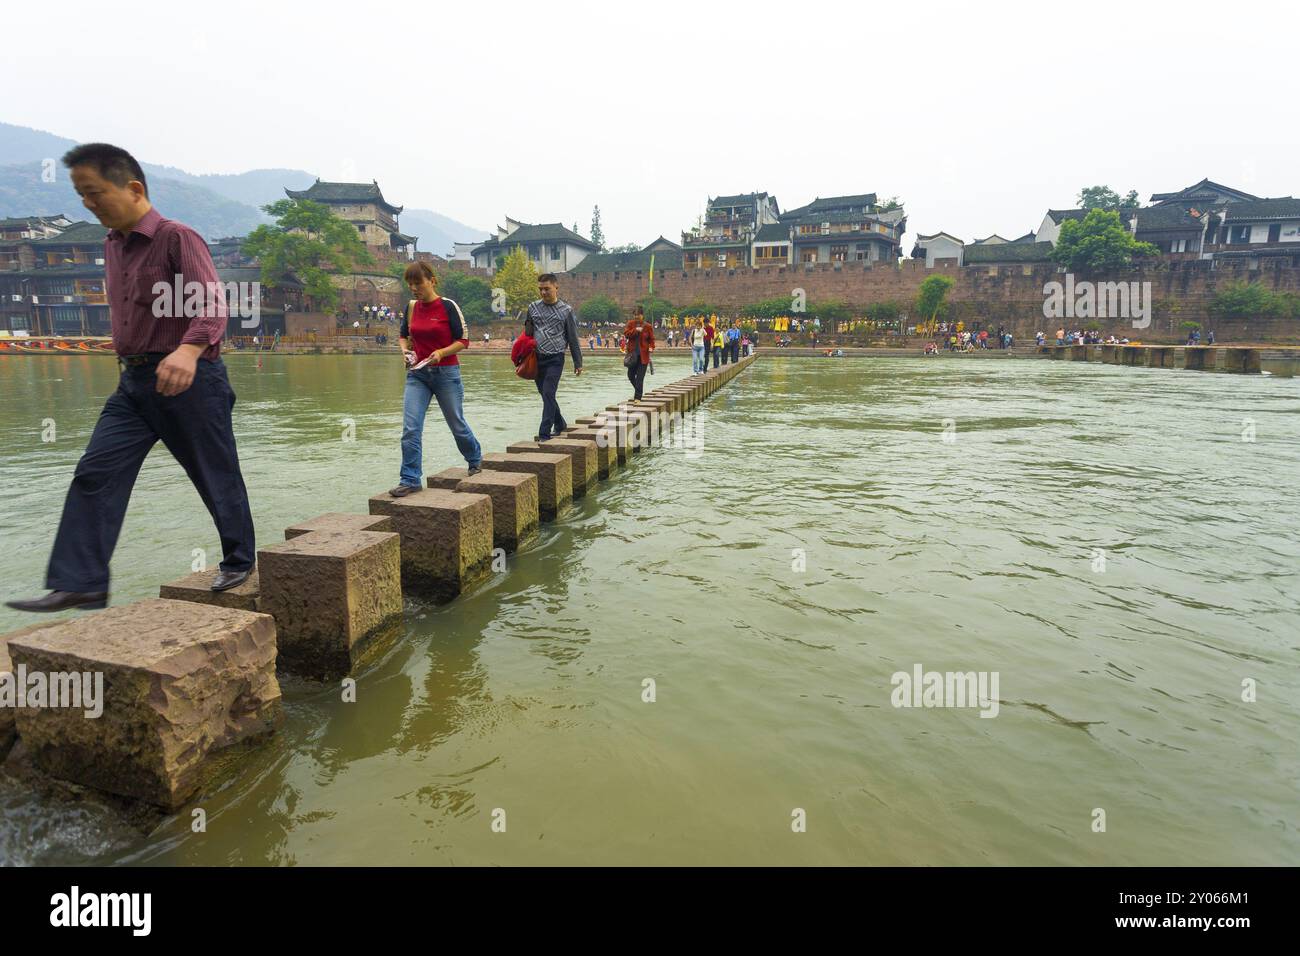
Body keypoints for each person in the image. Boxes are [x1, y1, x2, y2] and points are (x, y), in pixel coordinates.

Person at [6, 143, 255, 612]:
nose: (88, 203)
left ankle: (240, 559)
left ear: (133, 187)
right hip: (135, 384)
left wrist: (189, 348)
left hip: (190, 378)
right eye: (81, 194)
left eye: (95, 192)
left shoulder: (177, 238)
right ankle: (82, 581)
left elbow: (213, 302)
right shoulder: (112, 245)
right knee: (96, 471)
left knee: (214, 474)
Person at [389, 262, 482, 497]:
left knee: (457, 424)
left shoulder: (448, 306)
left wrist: (440, 353)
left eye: (418, 282)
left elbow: (464, 340)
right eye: (410, 284)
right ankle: (410, 479)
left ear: (432, 280)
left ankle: (474, 459)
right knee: (411, 428)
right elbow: (403, 336)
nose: (414, 288)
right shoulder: (411, 308)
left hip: (446, 373)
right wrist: (405, 352)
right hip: (417, 374)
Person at [526, 273, 582, 441]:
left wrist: (578, 362)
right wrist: (521, 355)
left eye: (547, 289)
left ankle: (544, 433)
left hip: (555, 358)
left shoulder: (566, 310)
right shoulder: (533, 308)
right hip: (536, 358)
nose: (543, 292)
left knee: (549, 392)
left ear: (556, 287)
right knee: (545, 394)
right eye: (540, 289)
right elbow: (528, 333)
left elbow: (572, 337)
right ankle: (560, 424)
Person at [623, 305, 655, 402]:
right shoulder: (630, 324)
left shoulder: (648, 326)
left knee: (640, 377)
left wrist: (651, 347)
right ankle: (639, 390)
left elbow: (652, 340)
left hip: (643, 355)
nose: (636, 317)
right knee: (630, 375)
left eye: (638, 315)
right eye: (635, 315)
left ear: (642, 315)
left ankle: (637, 397)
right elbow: (626, 334)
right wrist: (635, 330)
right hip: (632, 355)